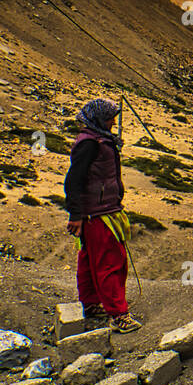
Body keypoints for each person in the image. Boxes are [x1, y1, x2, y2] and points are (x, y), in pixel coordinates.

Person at [64, 97, 141, 333]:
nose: (112, 122)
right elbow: (73, 180)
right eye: (109, 119)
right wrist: (76, 214)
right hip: (98, 213)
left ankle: (91, 303)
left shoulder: (97, 139)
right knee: (111, 262)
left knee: (89, 260)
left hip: (97, 211)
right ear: (98, 119)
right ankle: (118, 314)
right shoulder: (90, 143)